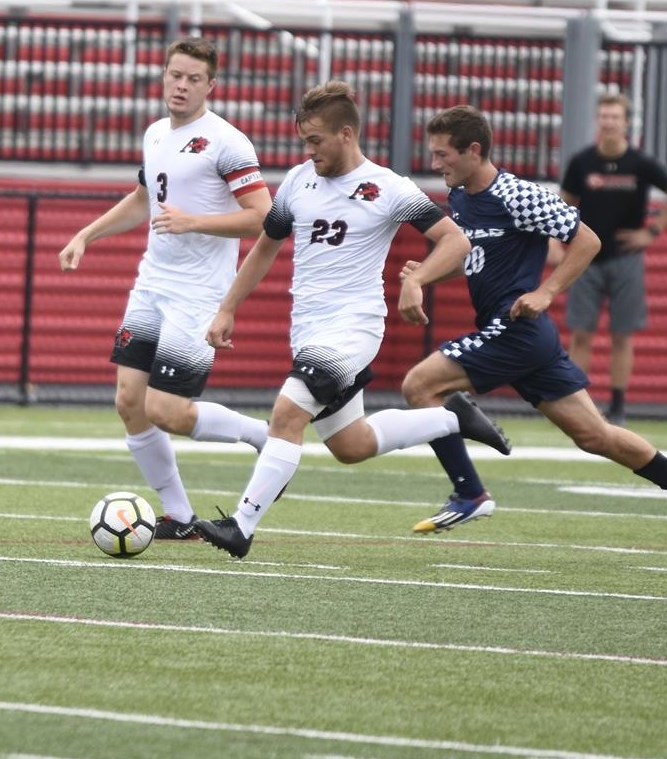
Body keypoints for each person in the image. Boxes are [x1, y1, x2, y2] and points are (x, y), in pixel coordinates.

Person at [192, 82, 509, 559]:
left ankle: (241, 527)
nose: (308, 149)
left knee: (287, 414)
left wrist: (416, 278)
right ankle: (450, 417)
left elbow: (456, 242)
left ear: (346, 133)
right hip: (309, 332)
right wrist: (228, 306)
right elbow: (265, 246)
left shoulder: (388, 187)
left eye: (315, 140)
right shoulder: (299, 181)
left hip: (352, 329)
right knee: (350, 444)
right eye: (304, 141)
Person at [398, 105, 667, 553]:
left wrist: (547, 291)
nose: (435, 165)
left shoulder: (516, 194)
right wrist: (427, 273)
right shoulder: (462, 197)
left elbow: (587, 241)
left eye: (442, 155)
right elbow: (479, 259)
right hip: (526, 336)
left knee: (419, 386)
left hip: (514, 328)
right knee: (595, 436)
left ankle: (468, 490)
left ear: (473, 150)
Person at [57, 37, 274, 540]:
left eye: (193, 78)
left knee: (166, 410)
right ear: (164, 77)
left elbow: (264, 218)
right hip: (152, 284)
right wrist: (86, 234)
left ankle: (266, 438)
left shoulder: (227, 142)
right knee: (129, 402)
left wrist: (194, 221)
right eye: (175, 75)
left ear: (210, 86)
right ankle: (179, 515)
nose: (181, 85)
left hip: (199, 293)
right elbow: (142, 200)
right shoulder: (156, 133)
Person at [558, 92, 667, 426]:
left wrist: (652, 232)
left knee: (622, 335)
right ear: (598, 121)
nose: (610, 122)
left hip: (626, 258)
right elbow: (564, 204)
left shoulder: (640, 163)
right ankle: (576, 402)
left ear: (627, 123)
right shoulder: (582, 162)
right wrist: (558, 243)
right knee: (581, 334)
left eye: (616, 117)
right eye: (604, 116)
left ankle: (617, 405)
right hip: (586, 258)